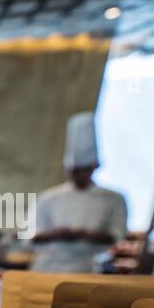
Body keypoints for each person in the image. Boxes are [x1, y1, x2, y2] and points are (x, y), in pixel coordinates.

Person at [27, 111, 128, 273]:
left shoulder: (113, 199)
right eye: (73, 170)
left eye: (82, 170)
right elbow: (30, 235)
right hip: (46, 268)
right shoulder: (48, 197)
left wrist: (88, 235)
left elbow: (117, 235)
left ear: (93, 168)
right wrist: (57, 234)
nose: (77, 175)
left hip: (86, 268)